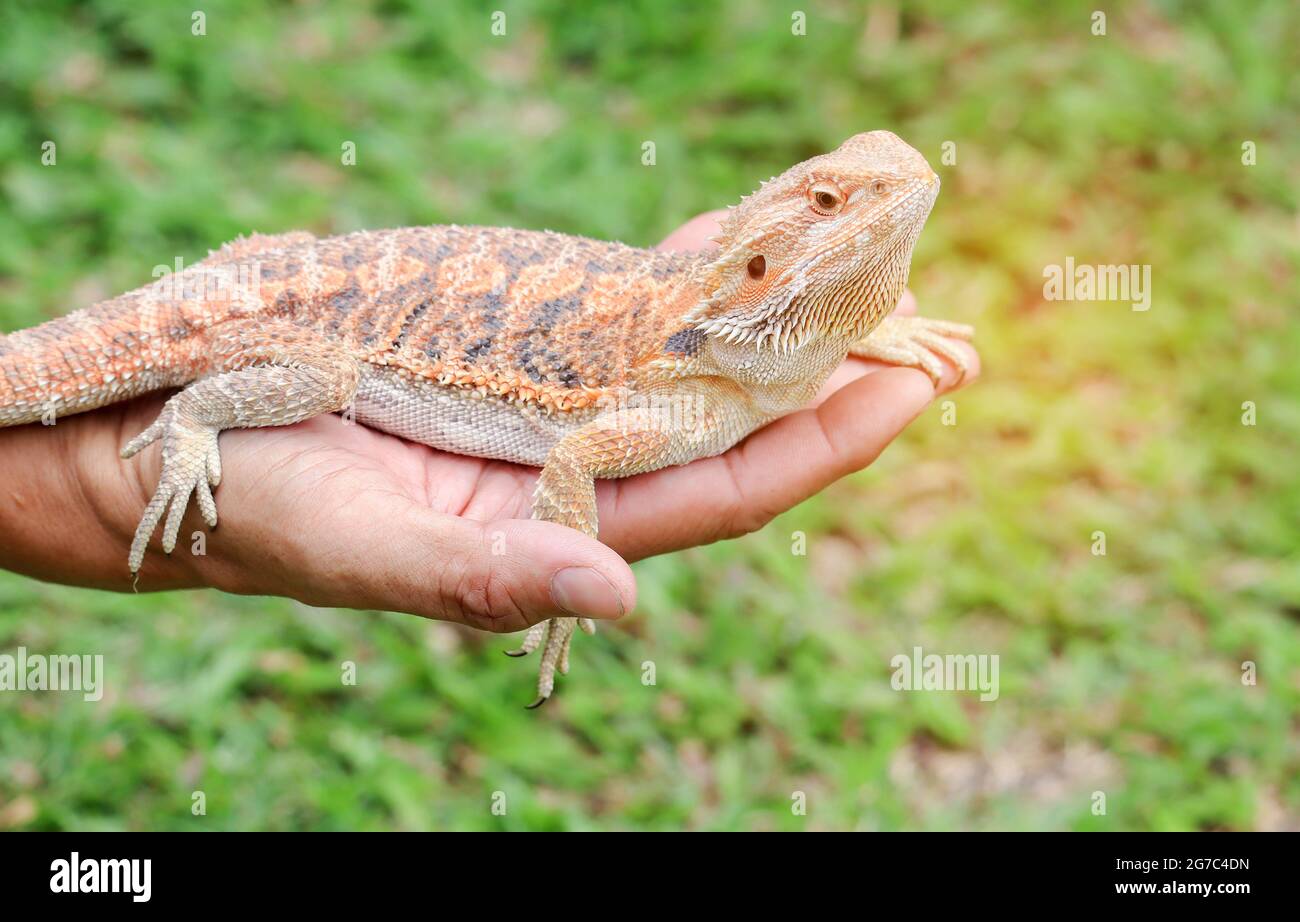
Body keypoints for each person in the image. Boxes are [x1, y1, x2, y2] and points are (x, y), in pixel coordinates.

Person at [0, 211, 979, 633]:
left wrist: (864, 334)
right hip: (279, 320)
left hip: (270, 280)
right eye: (825, 199)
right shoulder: (695, 371)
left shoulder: (736, 335)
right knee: (328, 368)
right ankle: (194, 414)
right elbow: (581, 457)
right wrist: (170, 441)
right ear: (758, 264)